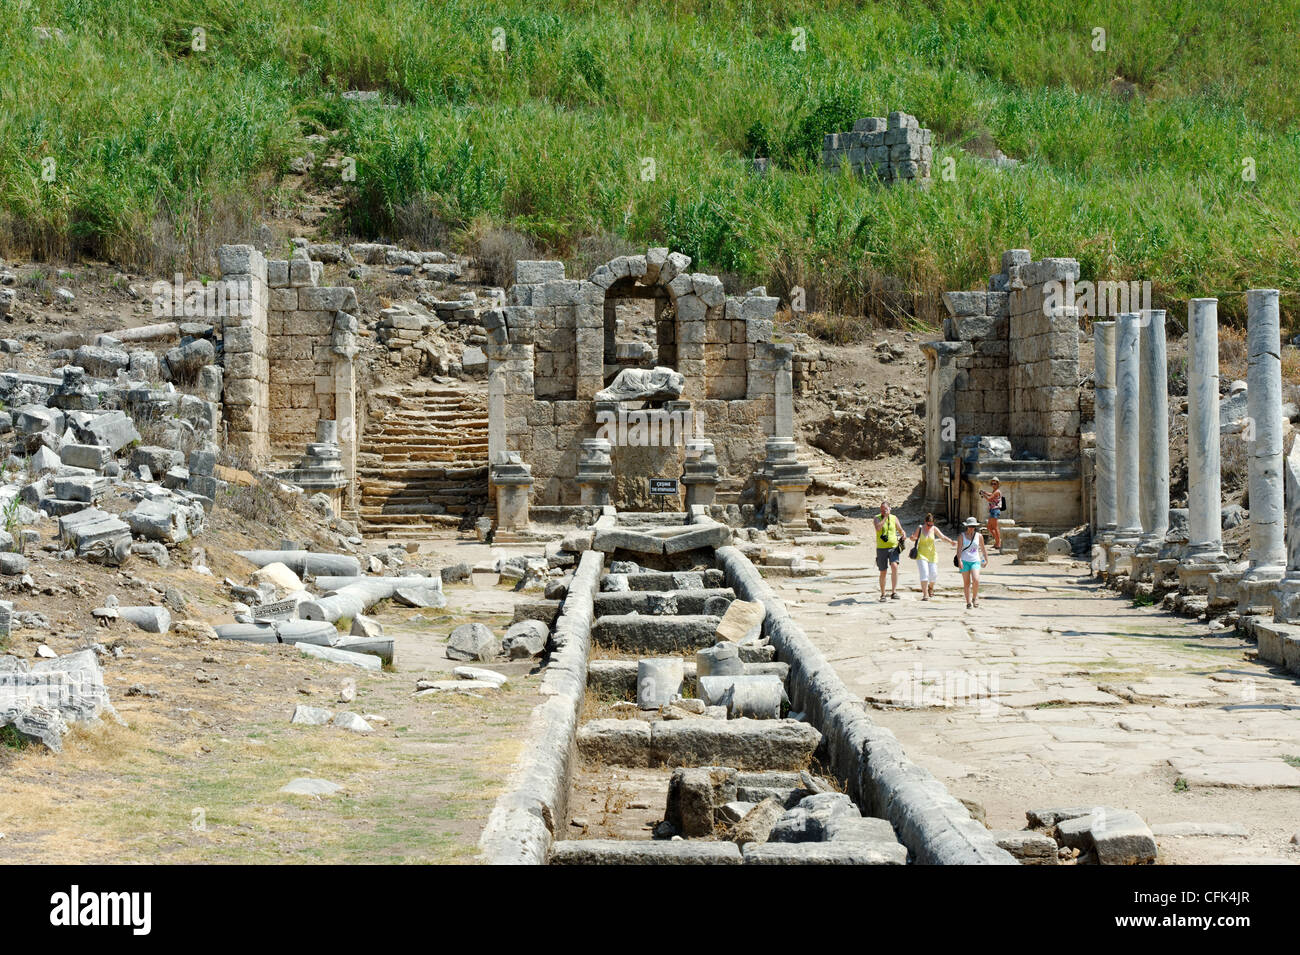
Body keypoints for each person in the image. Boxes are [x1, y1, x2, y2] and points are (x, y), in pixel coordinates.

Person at [908, 513, 954, 601]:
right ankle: (925, 595)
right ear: (925, 522)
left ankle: (931, 587)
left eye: (931, 524)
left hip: (932, 554)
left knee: (933, 574)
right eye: (928, 524)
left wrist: (950, 541)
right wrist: (912, 538)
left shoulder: (934, 529)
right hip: (921, 554)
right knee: (924, 574)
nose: (929, 526)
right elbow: (914, 538)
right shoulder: (920, 528)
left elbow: (942, 537)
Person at [873, 500, 905, 601]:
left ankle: (894, 592)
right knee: (883, 571)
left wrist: (903, 533)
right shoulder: (877, 518)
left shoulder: (894, 518)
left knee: (894, 566)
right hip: (881, 548)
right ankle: (883, 594)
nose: (883, 511)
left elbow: (900, 529)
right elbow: (878, 528)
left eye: (885, 509)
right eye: (882, 510)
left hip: (893, 547)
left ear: (890, 509)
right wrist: (885, 517)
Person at [956, 516, 989, 609]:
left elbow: (983, 548)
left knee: (976, 579)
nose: (972, 528)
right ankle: (968, 602)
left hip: (975, 560)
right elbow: (958, 550)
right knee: (966, 583)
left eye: (973, 526)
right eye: (970, 526)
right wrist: (959, 561)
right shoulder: (961, 536)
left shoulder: (979, 536)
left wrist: (986, 559)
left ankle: (975, 597)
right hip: (965, 560)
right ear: (967, 526)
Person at [978, 478, 1004, 550]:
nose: (993, 485)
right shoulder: (995, 491)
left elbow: (989, 499)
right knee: (989, 527)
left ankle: (998, 544)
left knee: (995, 528)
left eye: (995, 484)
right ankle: (997, 542)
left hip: (995, 510)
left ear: (998, 484)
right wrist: (985, 492)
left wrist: (983, 494)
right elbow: (991, 494)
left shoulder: (997, 491)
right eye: (992, 483)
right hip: (993, 510)